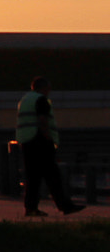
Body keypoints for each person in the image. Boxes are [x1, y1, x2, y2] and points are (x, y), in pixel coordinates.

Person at [17, 76, 83, 216]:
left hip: (27, 141)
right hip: (40, 140)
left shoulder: (25, 100)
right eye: (48, 88)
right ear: (43, 88)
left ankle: (31, 208)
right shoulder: (41, 100)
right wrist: (49, 139)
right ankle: (65, 206)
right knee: (53, 176)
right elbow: (43, 121)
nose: (49, 91)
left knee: (33, 177)